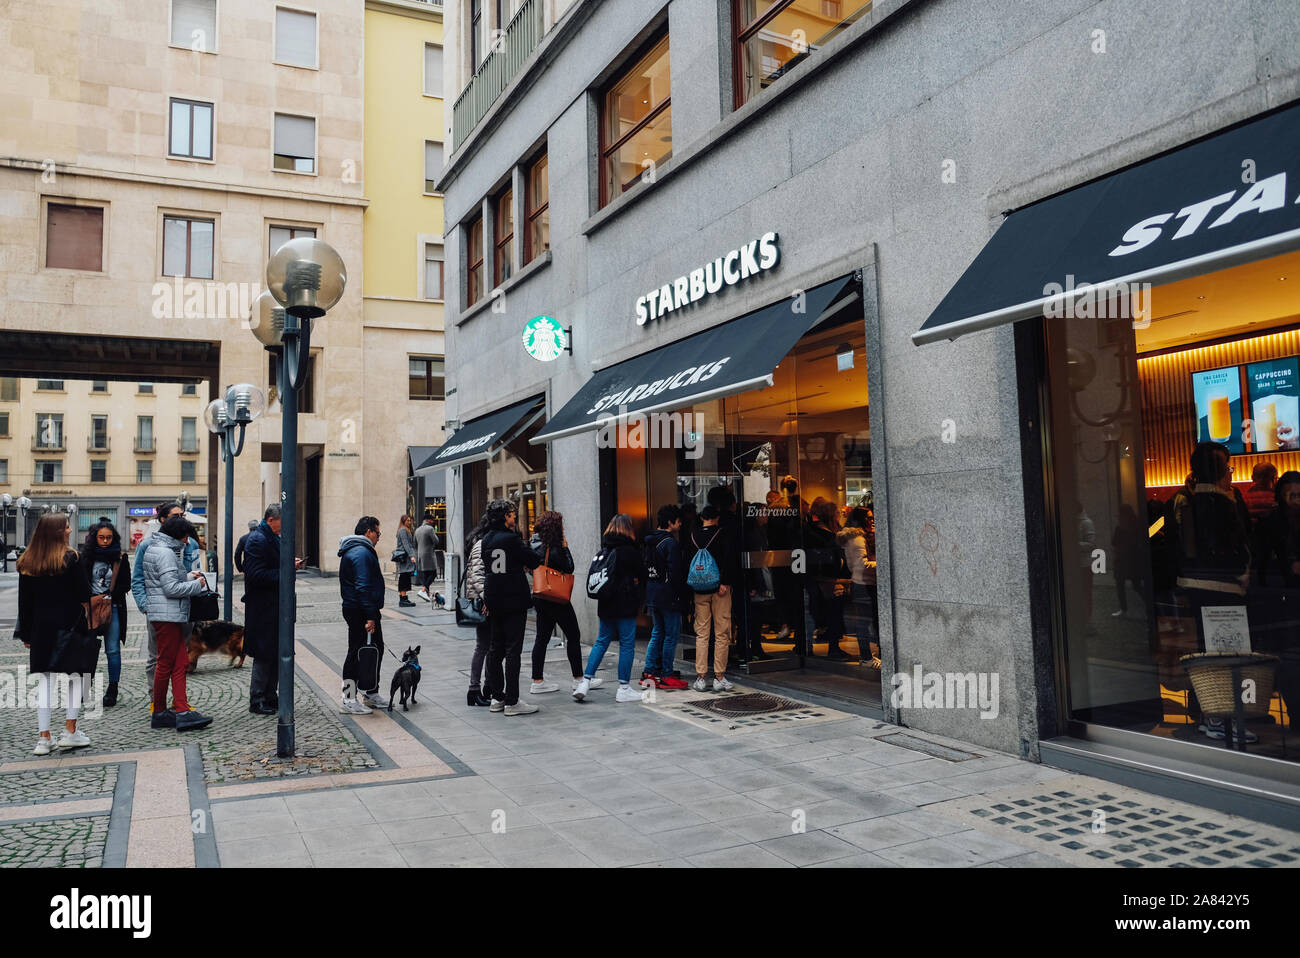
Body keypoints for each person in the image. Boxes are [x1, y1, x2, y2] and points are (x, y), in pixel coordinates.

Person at [1173, 441, 1253, 744]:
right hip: (1222, 590)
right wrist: (1242, 571)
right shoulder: (1218, 502)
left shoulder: (1186, 500)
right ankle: (1222, 718)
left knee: (1209, 652)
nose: (1230, 473)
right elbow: (1232, 548)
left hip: (1198, 588)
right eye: (1227, 467)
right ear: (1220, 471)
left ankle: (1211, 715)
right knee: (1226, 654)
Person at [16, 514, 93, 754]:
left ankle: (44, 738)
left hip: (41, 628)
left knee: (45, 682)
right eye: (67, 526)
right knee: (76, 677)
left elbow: (24, 604)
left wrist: (27, 634)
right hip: (69, 625)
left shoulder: (27, 561)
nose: (70, 529)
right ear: (58, 532)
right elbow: (83, 594)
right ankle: (70, 730)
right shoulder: (71, 558)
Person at [142, 515, 214, 731]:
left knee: (176, 661)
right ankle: (176, 712)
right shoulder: (165, 553)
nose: (186, 542)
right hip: (168, 615)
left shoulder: (158, 549)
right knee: (167, 663)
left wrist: (189, 576)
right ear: (176, 535)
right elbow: (171, 589)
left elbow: (168, 581)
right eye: (185, 537)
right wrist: (198, 584)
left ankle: (167, 711)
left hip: (165, 614)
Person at [131, 500, 200, 709]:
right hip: (160, 610)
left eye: (183, 516)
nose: (181, 520)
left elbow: (192, 569)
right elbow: (138, 579)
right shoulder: (148, 545)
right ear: (163, 520)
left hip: (184, 608)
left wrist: (196, 582)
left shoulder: (191, 544)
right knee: (158, 657)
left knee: (181, 657)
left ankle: (178, 704)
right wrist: (146, 605)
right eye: (175, 516)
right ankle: (156, 702)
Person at [573, 514, 647, 703]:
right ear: (628, 529)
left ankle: (585, 682)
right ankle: (623, 688)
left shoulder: (604, 549)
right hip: (625, 604)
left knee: (601, 641)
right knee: (627, 644)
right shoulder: (629, 550)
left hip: (605, 604)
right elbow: (643, 573)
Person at [481, 499, 542, 715]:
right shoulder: (512, 539)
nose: (514, 517)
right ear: (505, 516)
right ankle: (512, 701)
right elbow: (534, 561)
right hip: (514, 599)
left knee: (495, 649)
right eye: (512, 514)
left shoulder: (486, 539)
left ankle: (497, 697)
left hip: (494, 599)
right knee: (513, 650)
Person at [243, 505, 302, 715]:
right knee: (264, 654)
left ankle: (269, 695)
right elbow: (255, 575)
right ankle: (258, 698)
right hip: (263, 608)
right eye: (282, 521)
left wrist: (288, 564)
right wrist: (285, 570)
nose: (284, 526)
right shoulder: (258, 539)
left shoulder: (270, 537)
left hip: (273, 606)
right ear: (271, 520)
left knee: (276, 652)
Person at [528, 511, 590, 694]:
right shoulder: (554, 547)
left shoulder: (534, 544)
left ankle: (537, 681)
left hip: (541, 597)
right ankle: (578, 679)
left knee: (541, 639)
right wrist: (565, 547)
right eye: (561, 525)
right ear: (555, 528)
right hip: (556, 598)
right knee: (574, 635)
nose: (563, 528)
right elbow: (569, 567)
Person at [338, 516, 389, 713]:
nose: (379, 537)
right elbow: (362, 586)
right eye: (378, 533)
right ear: (368, 532)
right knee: (356, 652)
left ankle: (370, 691)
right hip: (360, 610)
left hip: (362, 608)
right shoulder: (360, 553)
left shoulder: (360, 550)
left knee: (375, 649)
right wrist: (369, 616)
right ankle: (349, 698)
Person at [686, 504, 739, 691]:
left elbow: (688, 561)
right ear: (717, 517)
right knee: (722, 633)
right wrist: (725, 582)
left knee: (702, 633)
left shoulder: (693, 535)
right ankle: (719, 677)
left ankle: (700, 677)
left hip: (699, 589)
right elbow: (729, 559)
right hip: (720, 589)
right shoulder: (723, 534)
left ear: (702, 518)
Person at [79, 520, 130, 707]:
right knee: (87, 648)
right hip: (90, 609)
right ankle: (84, 687)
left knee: (113, 650)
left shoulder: (120, 558)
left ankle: (112, 689)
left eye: (109, 537)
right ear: (94, 538)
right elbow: (79, 583)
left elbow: (126, 584)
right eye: (101, 537)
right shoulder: (85, 558)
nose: (106, 541)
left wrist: (109, 595)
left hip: (113, 607)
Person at [641, 504, 689, 688]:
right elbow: (676, 574)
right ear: (670, 522)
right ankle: (667, 674)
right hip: (669, 596)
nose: (680, 525)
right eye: (678, 522)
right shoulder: (670, 543)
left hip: (652, 593)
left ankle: (649, 672)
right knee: (671, 635)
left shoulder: (649, 541)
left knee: (657, 633)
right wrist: (682, 596)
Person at [805, 498, 850, 659]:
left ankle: (831, 645)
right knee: (832, 611)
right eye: (837, 512)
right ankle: (832, 647)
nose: (839, 515)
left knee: (834, 611)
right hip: (827, 578)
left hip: (831, 577)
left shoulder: (826, 532)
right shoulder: (823, 534)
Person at [838, 506, 878, 665]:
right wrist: (881, 563)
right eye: (868, 518)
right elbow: (861, 564)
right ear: (861, 519)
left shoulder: (858, 538)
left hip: (863, 582)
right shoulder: (858, 539)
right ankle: (866, 657)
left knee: (866, 621)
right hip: (864, 583)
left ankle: (867, 656)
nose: (872, 521)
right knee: (865, 622)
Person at [463, 510, 493, 706]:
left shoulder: (481, 542)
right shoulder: (481, 544)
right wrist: (487, 600)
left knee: (488, 646)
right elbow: (476, 576)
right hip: (483, 603)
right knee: (483, 646)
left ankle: (485, 688)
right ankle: (474, 689)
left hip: (484, 601)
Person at [415, 515, 441, 602]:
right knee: (433, 573)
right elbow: (436, 541)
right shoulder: (430, 529)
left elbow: (414, 543)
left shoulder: (417, 530)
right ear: (428, 520)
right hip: (429, 555)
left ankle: (427, 594)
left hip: (420, 555)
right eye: (432, 520)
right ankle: (423, 590)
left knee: (426, 575)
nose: (433, 521)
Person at [395, 514, 418, 608]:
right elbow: (406, 544)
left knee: (405, 576)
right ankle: (403, 599)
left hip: (406, 556)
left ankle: (403, 598)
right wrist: (411, 555)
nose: (409, 522)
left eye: (410, 520)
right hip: (404, 557)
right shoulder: (403, 530)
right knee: (404, 576)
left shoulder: (406, 530)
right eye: (407, 520)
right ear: (403, 521)